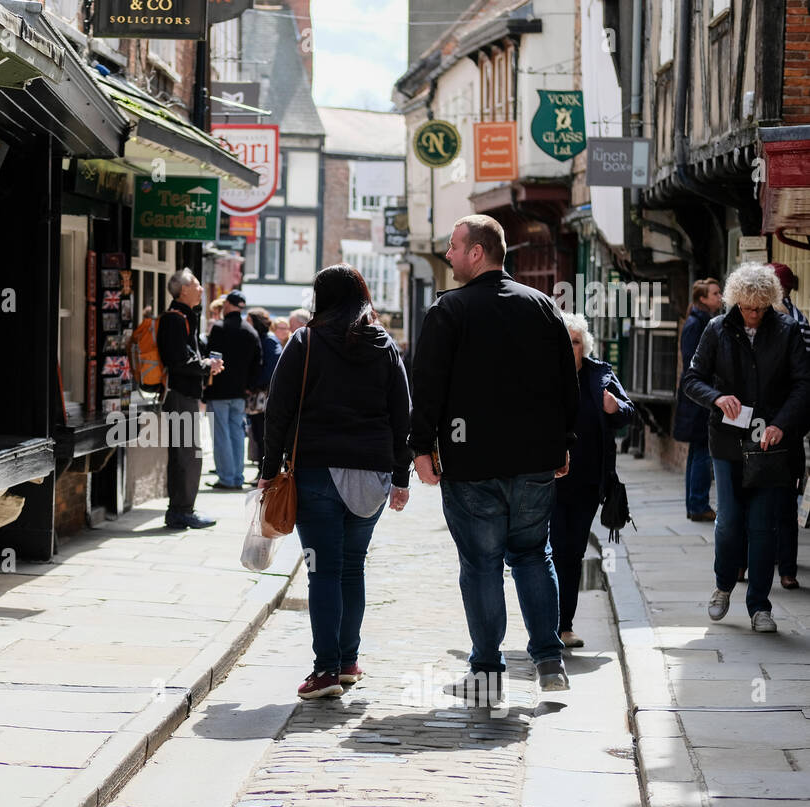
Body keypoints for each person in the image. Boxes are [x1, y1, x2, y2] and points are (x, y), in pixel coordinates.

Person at [410, 214, 576, 707]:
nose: (448, 254)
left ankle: (486, 670)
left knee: (481, 564)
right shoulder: (542, 306)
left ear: (477, 252)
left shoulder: (449, 310)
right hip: (534, 460)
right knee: (532, 554)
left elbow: (428, 386)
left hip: (471, 462)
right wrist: (563, 441)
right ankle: (548, 661)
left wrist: (421, 448)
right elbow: (566, 384)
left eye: (454, 247)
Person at [260, 264, 411, 700]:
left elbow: (278, 411)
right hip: (372, 472)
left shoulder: (305, 343)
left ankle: (326, 670)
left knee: (322, 570)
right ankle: (347, 661)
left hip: (317, 471)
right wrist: (400, 477)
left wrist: (270, 470)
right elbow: (403, 415)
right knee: (351, 567)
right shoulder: (384, 345)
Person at [682, 262, 810, 632]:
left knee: (762, 526)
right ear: (736, 302)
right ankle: (723, 585)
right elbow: (692, 379)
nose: (753, 316)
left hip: (770, 443)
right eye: (747, 308)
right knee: (729, 523)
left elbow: (804, 384)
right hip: (727, 441)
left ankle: (760, 607)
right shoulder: (716, 328)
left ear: (770, 302)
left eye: (760, 308)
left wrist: (781, 424)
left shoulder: (786, 331)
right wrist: (718, 398)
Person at [551, 314, 637, 648]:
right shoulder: (545, 373)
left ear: (583, 346)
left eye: (575, 341)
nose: (570, 346)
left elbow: (629, 412)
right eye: (565, 340)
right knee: (554, 550)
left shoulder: (600, 374)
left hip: (588, 481)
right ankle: (548, 624)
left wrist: (615, 407)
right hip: (549, 479)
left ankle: (565, 626)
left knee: (572, 552)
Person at [157, 268, 224, 529]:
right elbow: (178, 360)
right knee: (187, 454)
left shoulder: (184, 316)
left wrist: (206, 363)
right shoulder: (175, 319)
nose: (200, 288)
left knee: (186, 454)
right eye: (196, 284)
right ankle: (181, 511)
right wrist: (207, 365)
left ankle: (180, 509)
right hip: (180, 394)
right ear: (183, 290)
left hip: (184, 394)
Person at [770, 262, 810, 589]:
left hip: (788, 424)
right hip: (755, 424)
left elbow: (802, 379)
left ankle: (786, 567)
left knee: (785, 498)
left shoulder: (797, 324)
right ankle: (755, 560)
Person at [675, 278, 722, 521]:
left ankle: (695, 504)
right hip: (698, 397)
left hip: (698, 395)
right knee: (703, 450)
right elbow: (695, 362)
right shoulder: (697, 324)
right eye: (715, 293)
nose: (719, 297)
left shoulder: (701, 321)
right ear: (703, 299)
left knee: (698, 451)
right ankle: (698, 505)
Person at [204, 290, 261, 489]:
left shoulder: (219, 328)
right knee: (236, 433)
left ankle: (227, 478)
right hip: (240, 393)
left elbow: (210, 357)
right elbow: (257, 362)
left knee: (222, 435)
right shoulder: (250, 331)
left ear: (227, 305)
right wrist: (248, 386)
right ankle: (237, 476)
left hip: (219, 390)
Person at [245, 307, 282, 481]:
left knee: (263, 435)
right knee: (259, 435)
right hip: (260, 394)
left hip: (264, 395)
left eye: (250, 321)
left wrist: (254, 384)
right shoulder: (262, 339)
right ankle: (262, 470)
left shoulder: (268, 341)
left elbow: (271, 369)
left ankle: (265, 471)